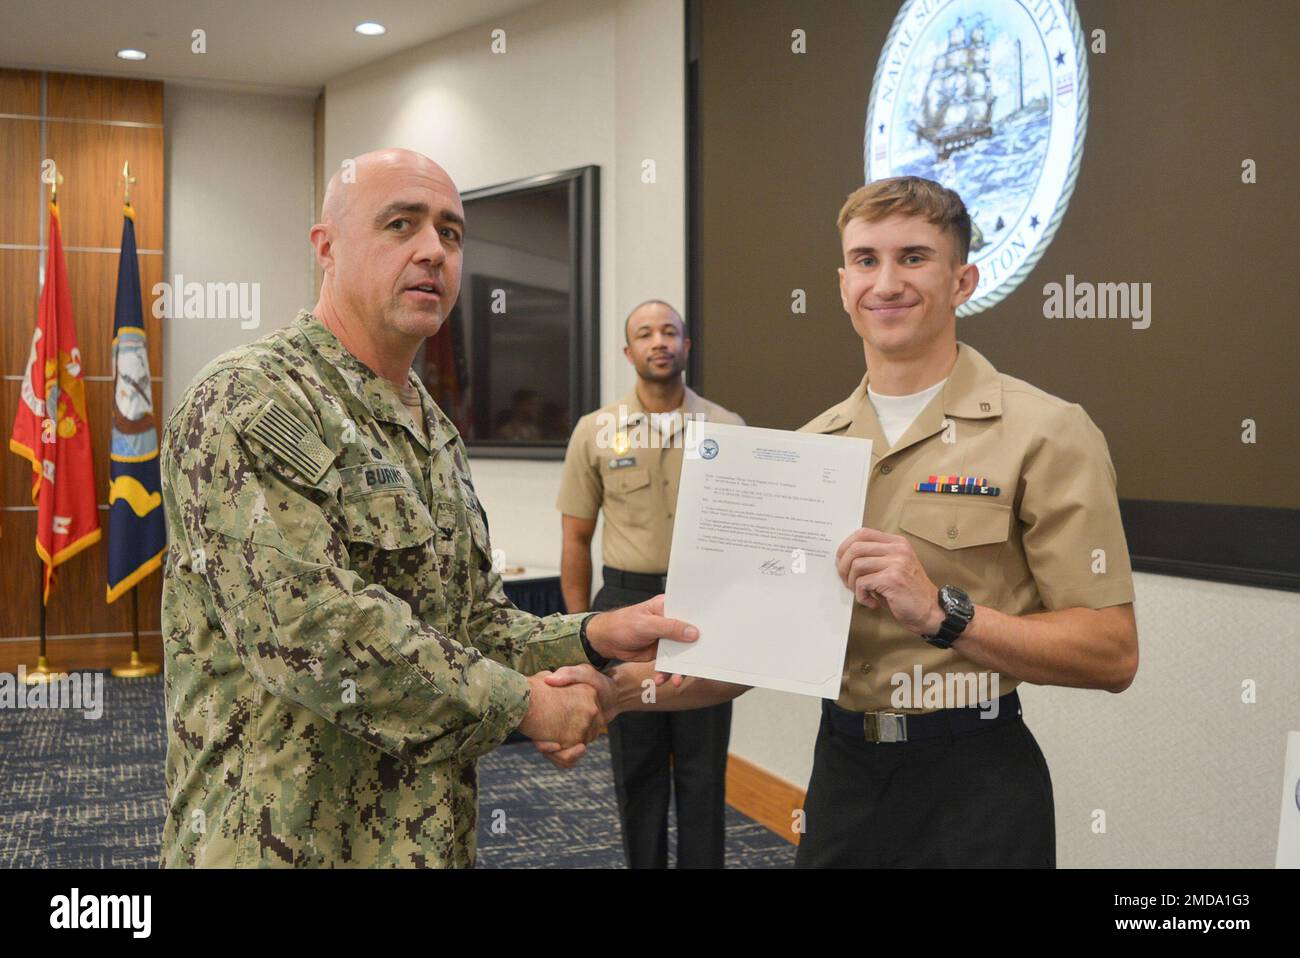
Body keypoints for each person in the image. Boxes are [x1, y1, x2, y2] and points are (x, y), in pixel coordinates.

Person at [547, 175, 1139, 868]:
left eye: (914, 257)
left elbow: (1111, 653)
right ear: (842, 284)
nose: (885, 282)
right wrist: (618, 692)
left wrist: (944, 614)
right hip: (845, 776)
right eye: (865, 260)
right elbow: (750, 652)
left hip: (976, 779)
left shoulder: (1048, 432)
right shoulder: (808, 451)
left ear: (964, 280)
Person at [158, 148, 697, 868]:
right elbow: (310, 630)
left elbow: (472, 624)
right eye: (400, 224)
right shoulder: (252, 398)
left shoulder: (431, 429)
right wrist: (529, 706)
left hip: (424, 842)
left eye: (450, 232)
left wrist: (595, 634)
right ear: (327, 248)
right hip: (283, 844)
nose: (431, 251)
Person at [553, 300, 744, 868]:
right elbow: (574, 542)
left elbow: (743, 537)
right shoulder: (595, 432)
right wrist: (577, 636)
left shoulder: (727, 430)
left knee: (703, 770)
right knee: (636, 770)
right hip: (623, 607)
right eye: (645, 333)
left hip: (703, 613)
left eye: (670, 332)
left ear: (688, 346)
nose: (658, 342)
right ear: (628, 351)